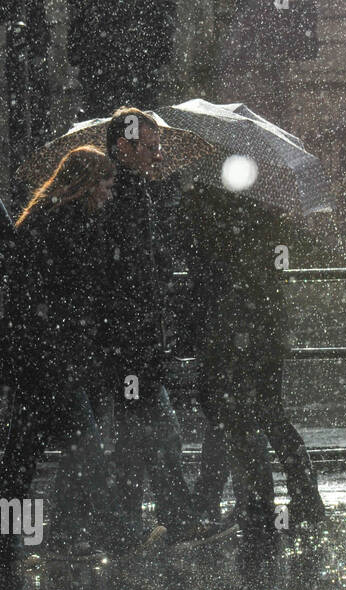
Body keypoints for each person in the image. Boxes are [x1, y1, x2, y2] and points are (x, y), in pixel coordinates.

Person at [0, 146, 146, 564]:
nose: (110, 194)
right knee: (85, 449)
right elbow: (67, 299)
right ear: (88, 184)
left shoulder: (50, 220)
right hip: (51, 359)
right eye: (107, 185)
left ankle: (0, 542)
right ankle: (121, 537)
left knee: (21, 456)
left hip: (39, 357)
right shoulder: (64, 226)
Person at [176, 183, 326, 583]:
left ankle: (257, 509)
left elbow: (201, 266)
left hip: (229, 330)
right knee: (266, 417)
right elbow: (294, 254)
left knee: (238, 421)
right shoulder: (265, 207)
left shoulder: (203, 205)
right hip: (263, 328)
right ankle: (301, 501)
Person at [101, 107, 204, 543]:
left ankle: (127, 526)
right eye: (149, 147)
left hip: (133, 337)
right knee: (158, 434)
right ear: (123, 146)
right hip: (131, 338)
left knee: (136, 439)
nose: (157, 156)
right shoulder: (118, 194)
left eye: (159, 147)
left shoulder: (133, 190)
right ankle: (173, 522)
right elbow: (125, 271)